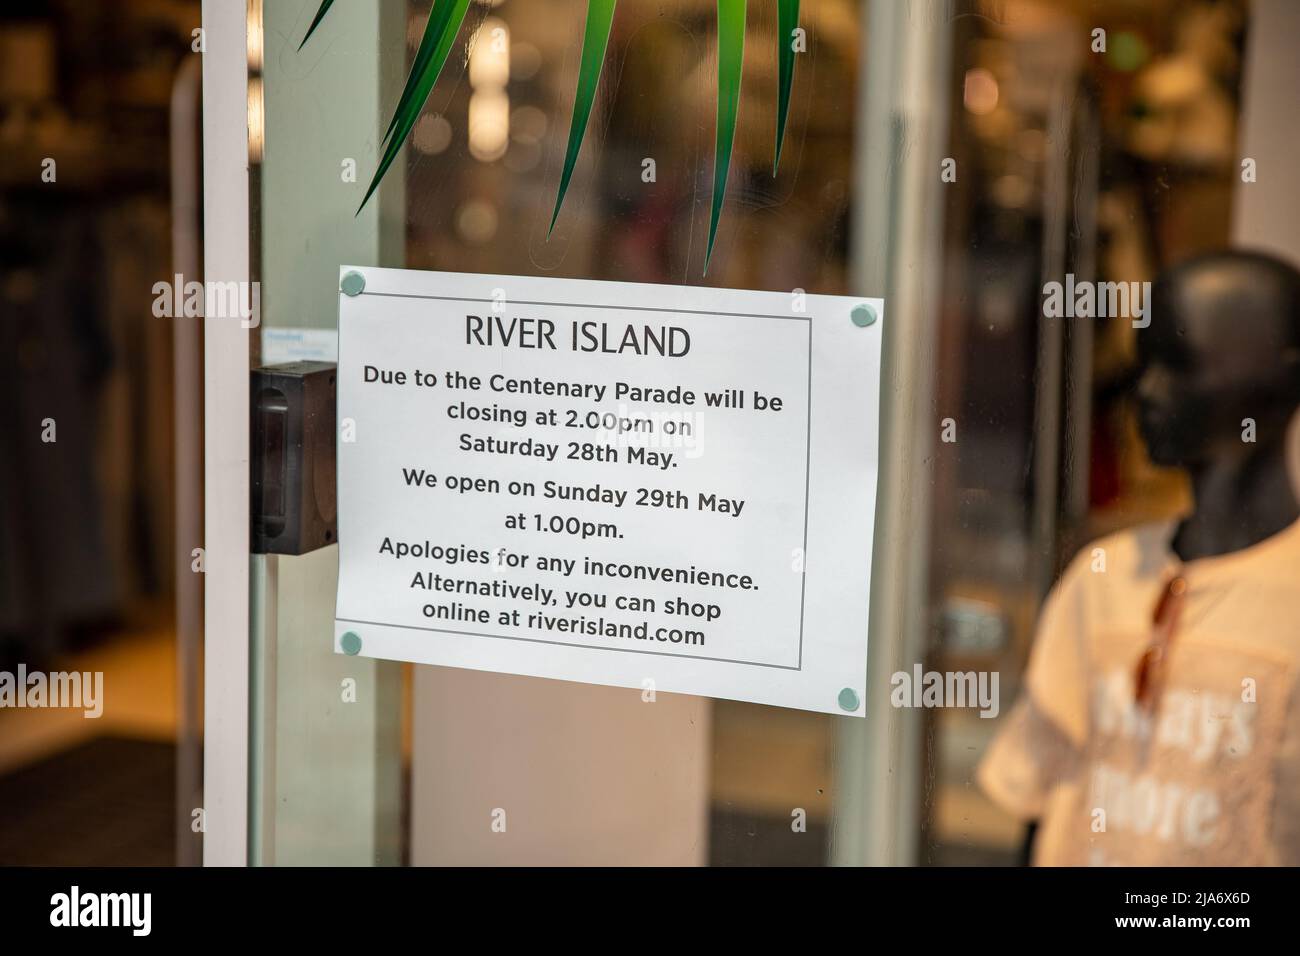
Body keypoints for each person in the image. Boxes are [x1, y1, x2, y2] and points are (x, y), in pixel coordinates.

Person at [978, 250, 1300, 865]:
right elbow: (1041, 796)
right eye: (1145, 363)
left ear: (1281, 380)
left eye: (1181, 364)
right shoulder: (1102, 578)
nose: (1147, 392)